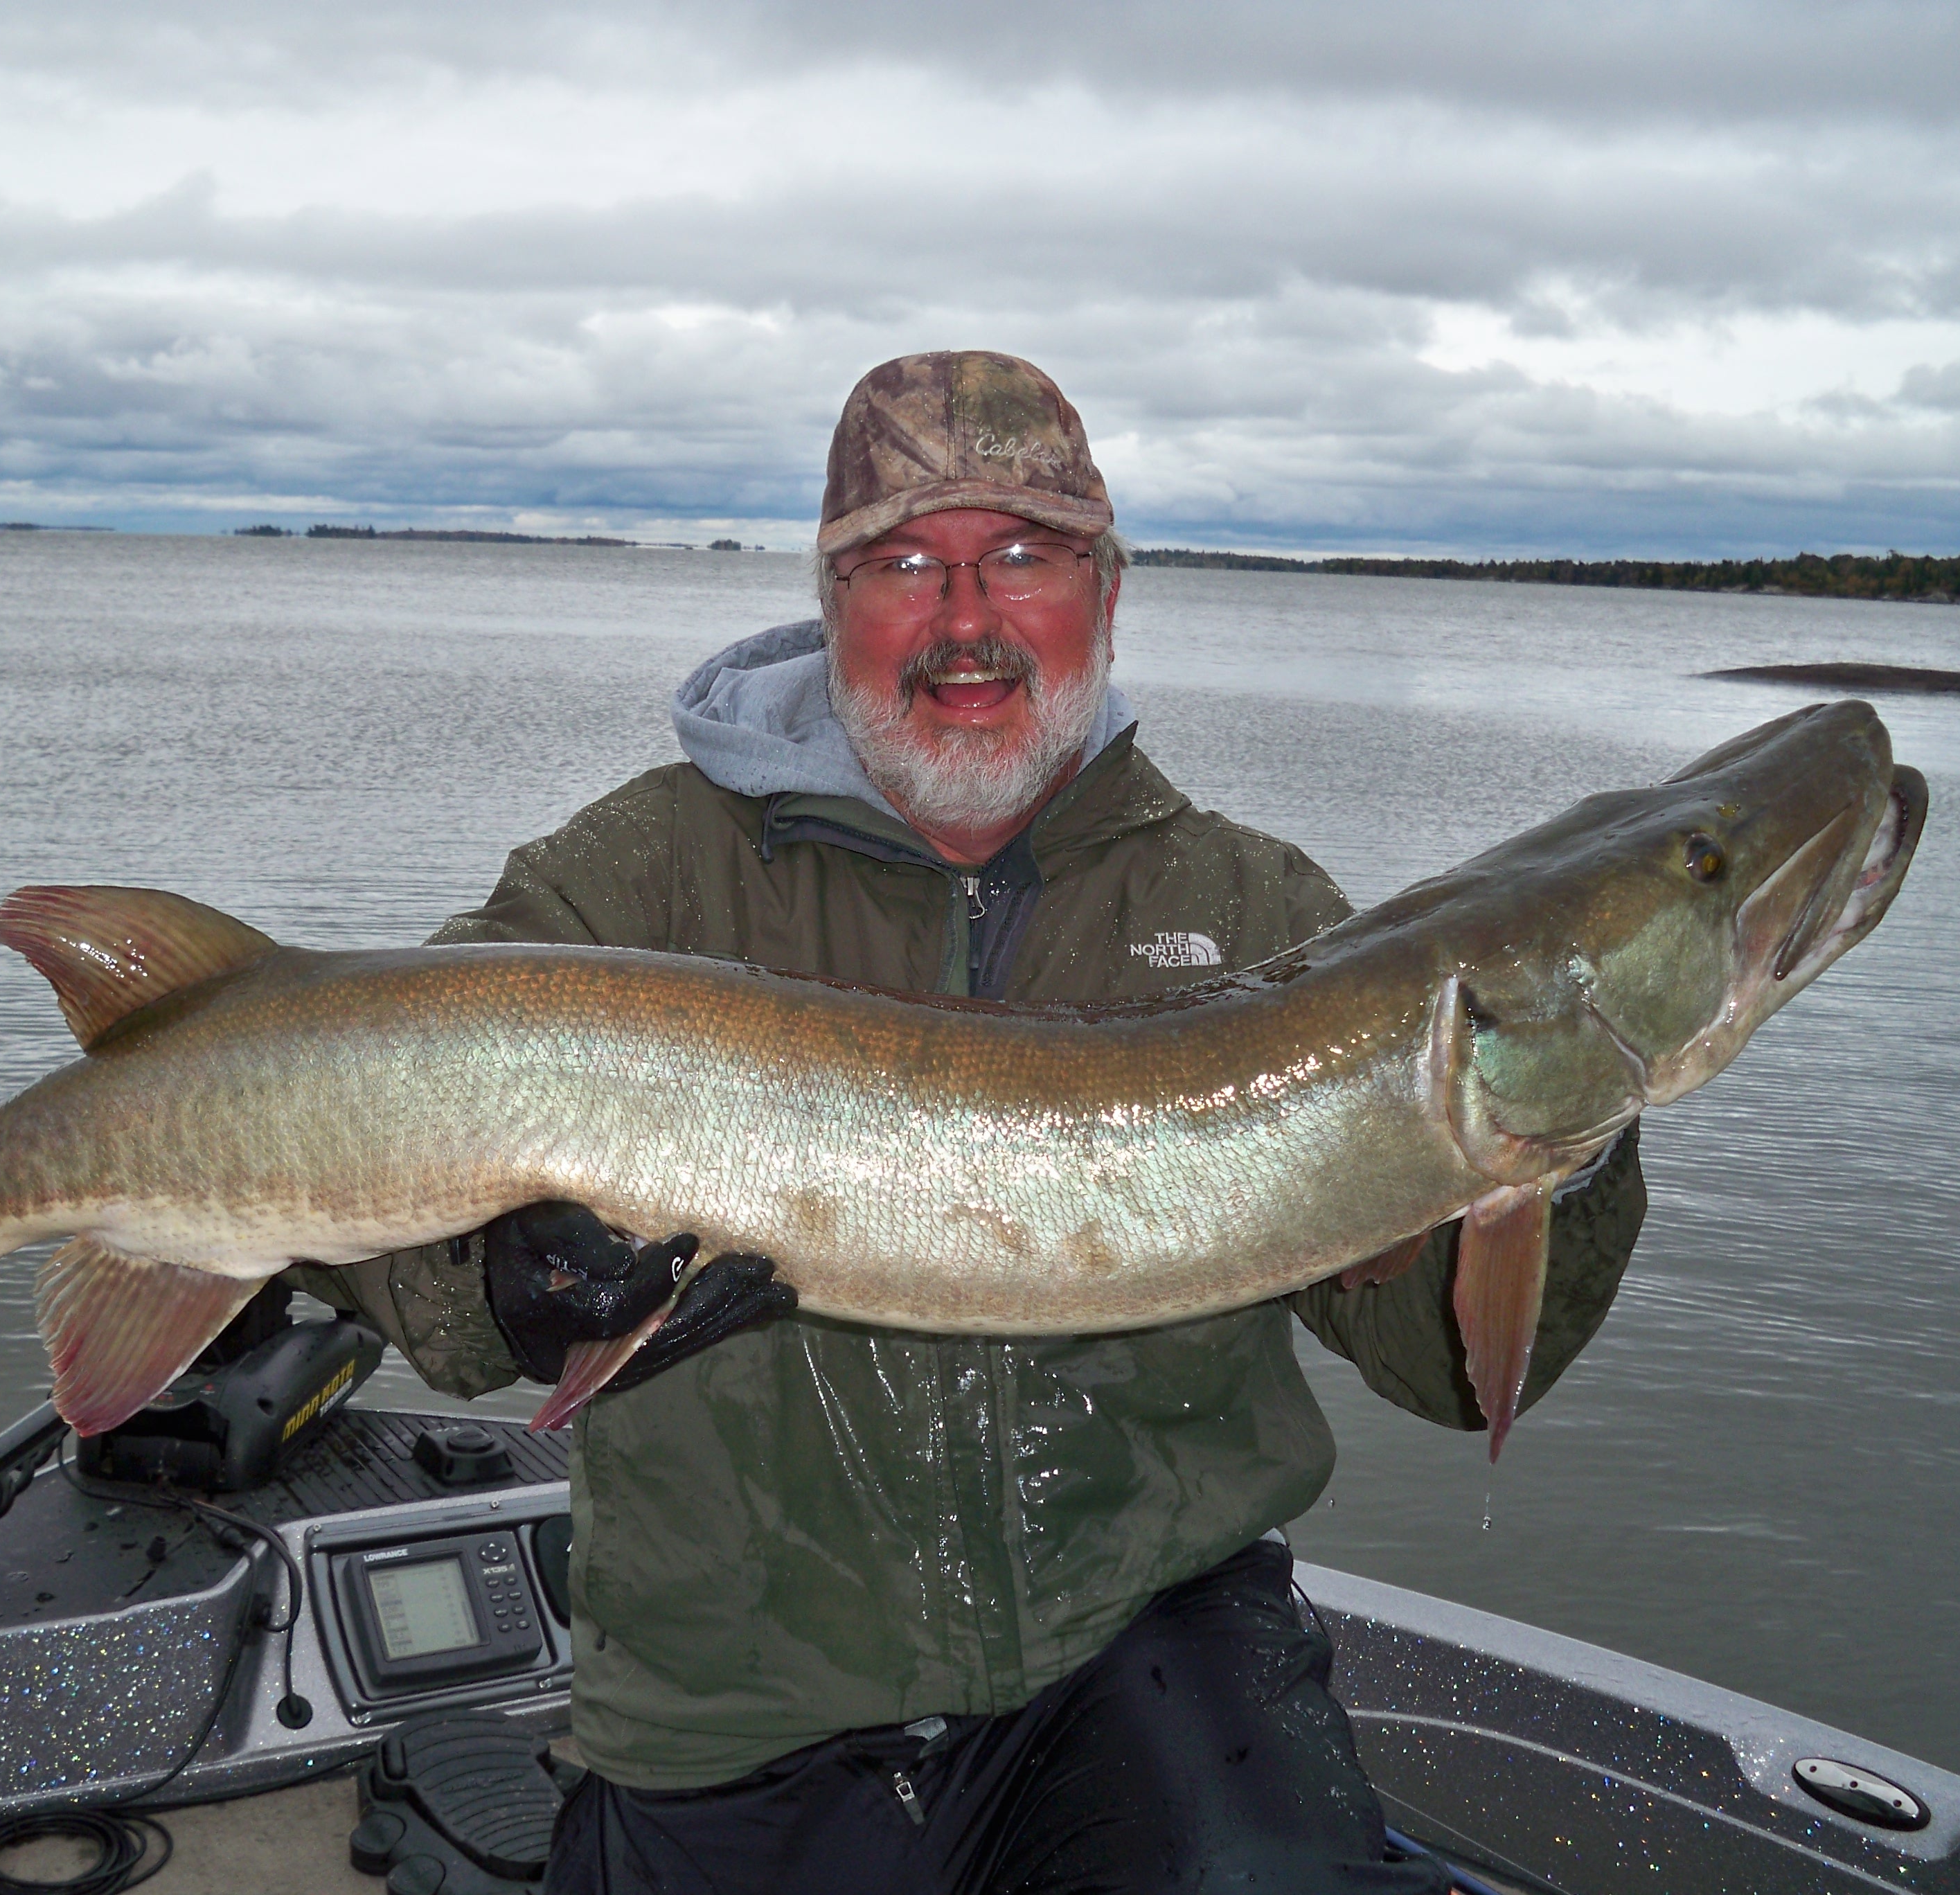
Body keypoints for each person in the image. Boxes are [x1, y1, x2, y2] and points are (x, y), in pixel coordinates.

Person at [300, 351, 1646, 1893]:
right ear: (832, 600)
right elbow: (358, 1179)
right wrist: (489, 1281)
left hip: (1145, 1646)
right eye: (901, 567)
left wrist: (1570, 1127)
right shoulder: (630, 881)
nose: (964, 620)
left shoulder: (1252, 910)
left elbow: (1441, 1362)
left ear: (1109, 590)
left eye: (1023, 556)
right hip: (729, 1689)